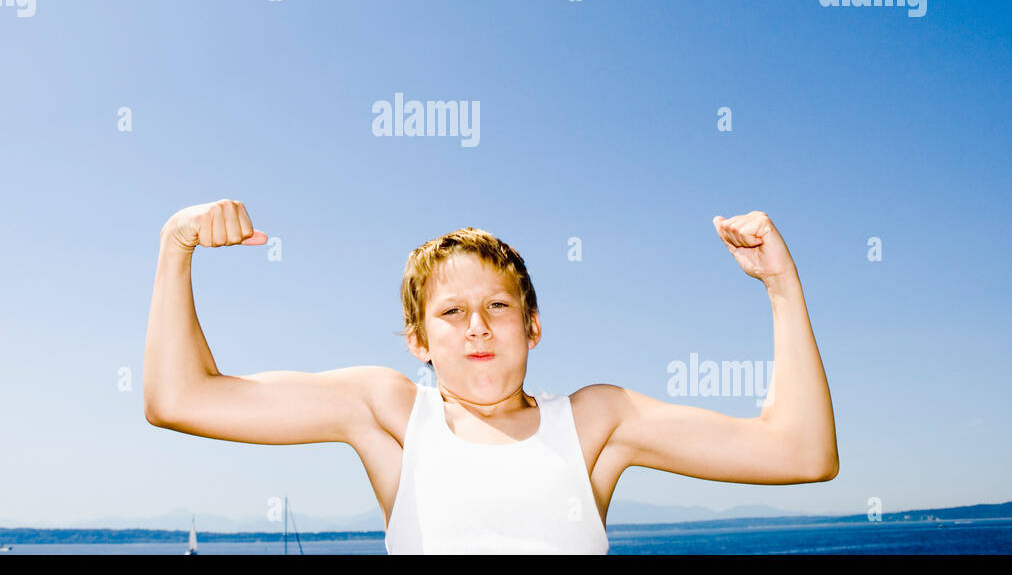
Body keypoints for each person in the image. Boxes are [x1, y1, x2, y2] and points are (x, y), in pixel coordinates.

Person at [143, 199, 838, 554]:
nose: (476, 324)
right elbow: (178, 399)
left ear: (533, 326)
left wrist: (782, 286)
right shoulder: (388, 413)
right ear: (418, 339)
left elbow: (801, 453)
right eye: (451, 311)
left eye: (498, 306)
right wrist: (177, 242)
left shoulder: (597, 421)